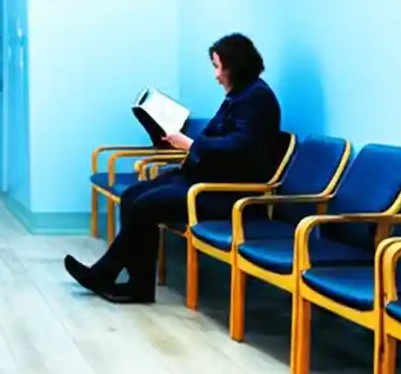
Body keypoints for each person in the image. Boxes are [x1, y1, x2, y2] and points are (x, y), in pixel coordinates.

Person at [65, 33, 284, 304]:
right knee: (132, 196)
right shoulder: (240, 95)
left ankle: (109, 276)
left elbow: (240, 147)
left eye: (219, 67)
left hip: (225, 191)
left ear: (235, 66)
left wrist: (189, 144)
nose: (216, 76)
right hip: (203, 178)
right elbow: (213, 136)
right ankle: (136, 283)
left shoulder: (257, 99)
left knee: (145, 206)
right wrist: (173, 137)